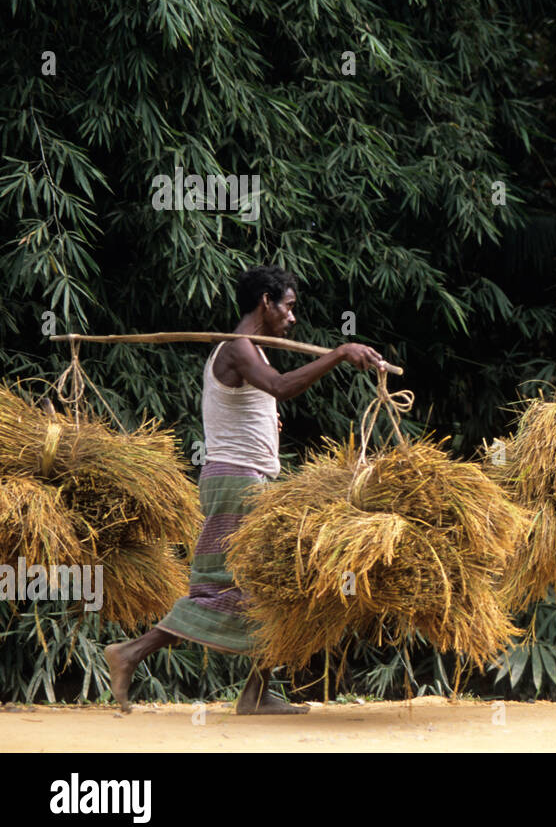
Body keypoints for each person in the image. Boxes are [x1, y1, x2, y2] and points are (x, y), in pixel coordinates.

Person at [105, 265, 384, 714]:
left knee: (269, 586)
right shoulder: (237, 349)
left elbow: (258, 398)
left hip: (250, 479)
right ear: (265, 304)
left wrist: (268, 420)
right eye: (288, 307)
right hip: (235, 482)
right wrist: (339, 353)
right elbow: (279, 386)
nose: (292, 319)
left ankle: (255, 694)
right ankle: (131, 653)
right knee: (220, 589)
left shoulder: (250, 351)